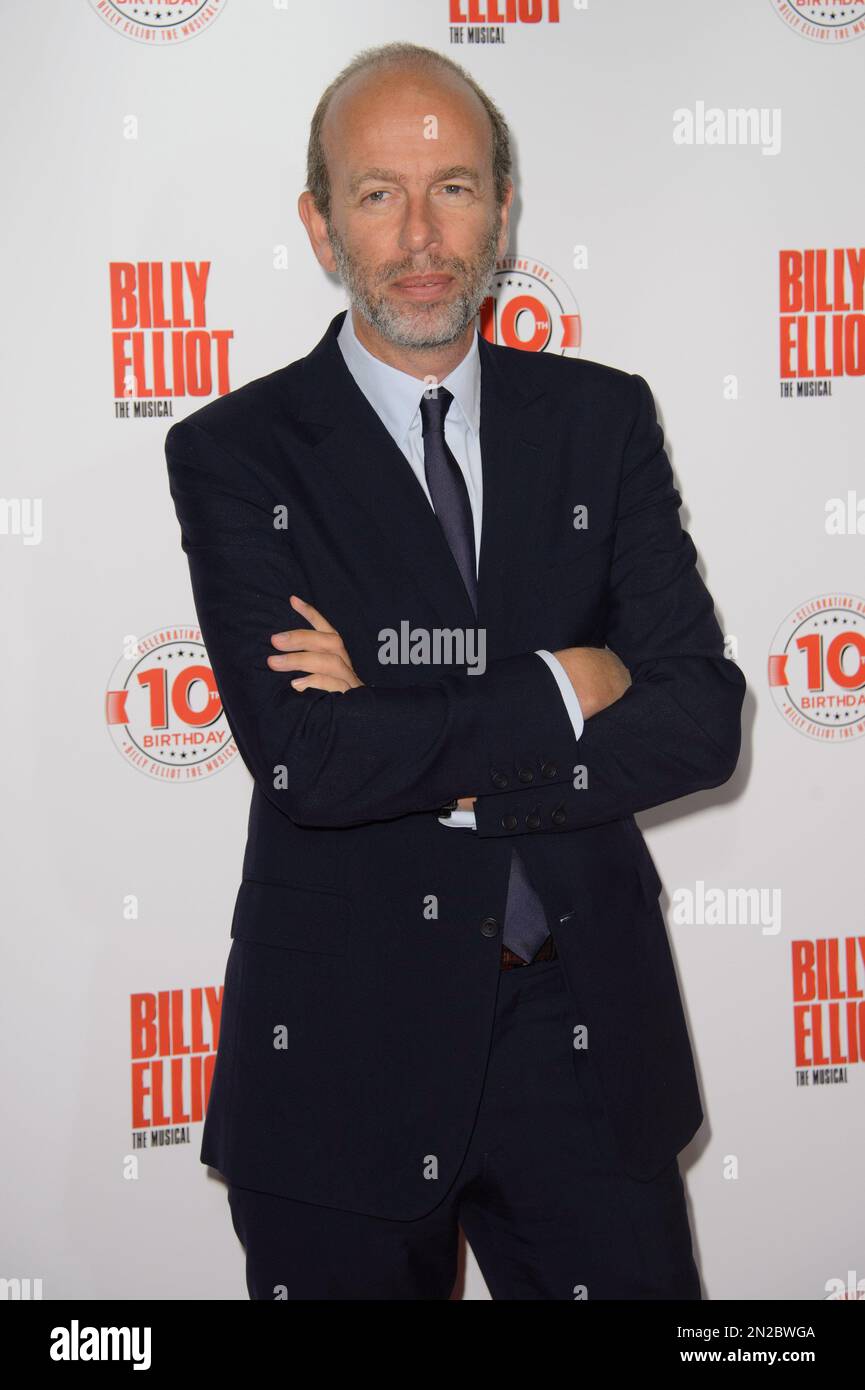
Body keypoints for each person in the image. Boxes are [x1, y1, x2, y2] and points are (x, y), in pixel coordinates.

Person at [165, 41, 746, 1300]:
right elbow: (308, 757)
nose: (422, 234)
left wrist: (436, 746)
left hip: (582, 1038)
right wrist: (558, 689)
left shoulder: (603, 419)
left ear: (503, 209)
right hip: (340, 1050)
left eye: (457, 188)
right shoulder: (237, 454)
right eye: (378, 194)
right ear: (320, 226)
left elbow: (700, 716)